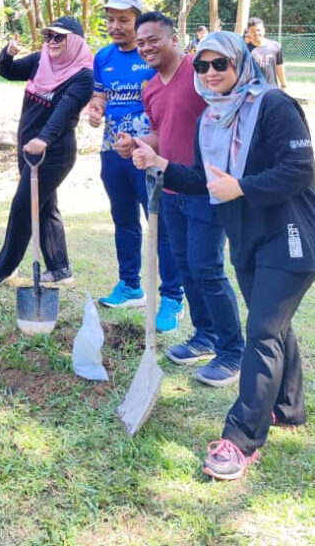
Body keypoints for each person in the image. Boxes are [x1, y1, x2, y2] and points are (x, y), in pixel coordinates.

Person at [133, 31, 314, 481]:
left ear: (241, 63)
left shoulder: (274, 105)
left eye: (220, 64)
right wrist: (160, 165)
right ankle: (288, 407)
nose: (210, 73)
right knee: (272, 324)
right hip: (246, 234)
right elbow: (203, 179)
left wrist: (243, 187)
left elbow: (301, 168)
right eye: (202, 65)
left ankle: (241, 438)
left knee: (263, 331)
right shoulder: (211, 117)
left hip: (290, 233)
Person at [119, 12, 243, 387]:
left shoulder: (200, 73)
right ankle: (205, 336)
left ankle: (232, 351)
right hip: (171, 189)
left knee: (207, 269)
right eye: (141, 42)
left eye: (153, 39)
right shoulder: (150, 88)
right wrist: (137, 144)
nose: (146, 48)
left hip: (206, 190)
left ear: (174, 39)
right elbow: (161, 134)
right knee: (187, 268)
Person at [87, 0, 184, 331]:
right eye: (110, 20)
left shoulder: (152, 56)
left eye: (123, 20)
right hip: (112, 151)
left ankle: (172, 297)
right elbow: (101, 94)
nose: (115, 26)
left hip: (150, 153)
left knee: (160, 225)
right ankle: (130, 285)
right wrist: (96, 108)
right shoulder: (103, 57)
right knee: (123, 219)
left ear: (138, 21)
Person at [0, 16, 94, 287]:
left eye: (59, 37)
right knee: (45, 206)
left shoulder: (83, 76)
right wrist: (7, 53)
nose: (51, 42)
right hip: (28, 150)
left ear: (75, 41)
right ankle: (60, 267)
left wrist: (43, 139)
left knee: (23, 208)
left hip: (53, 154)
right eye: (48, 36)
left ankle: (2, 269)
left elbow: (64, 111)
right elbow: (8, 71)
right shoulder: (41, 60)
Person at [246, 17, 287, 90]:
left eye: (258, 30)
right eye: (253, 31)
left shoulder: (275, 47)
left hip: (271, 90)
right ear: (248, 33)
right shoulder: (244, 50)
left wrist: (283, 85)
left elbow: (279, 67)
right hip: (252, 91)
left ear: (264, 30)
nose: (256, 33)